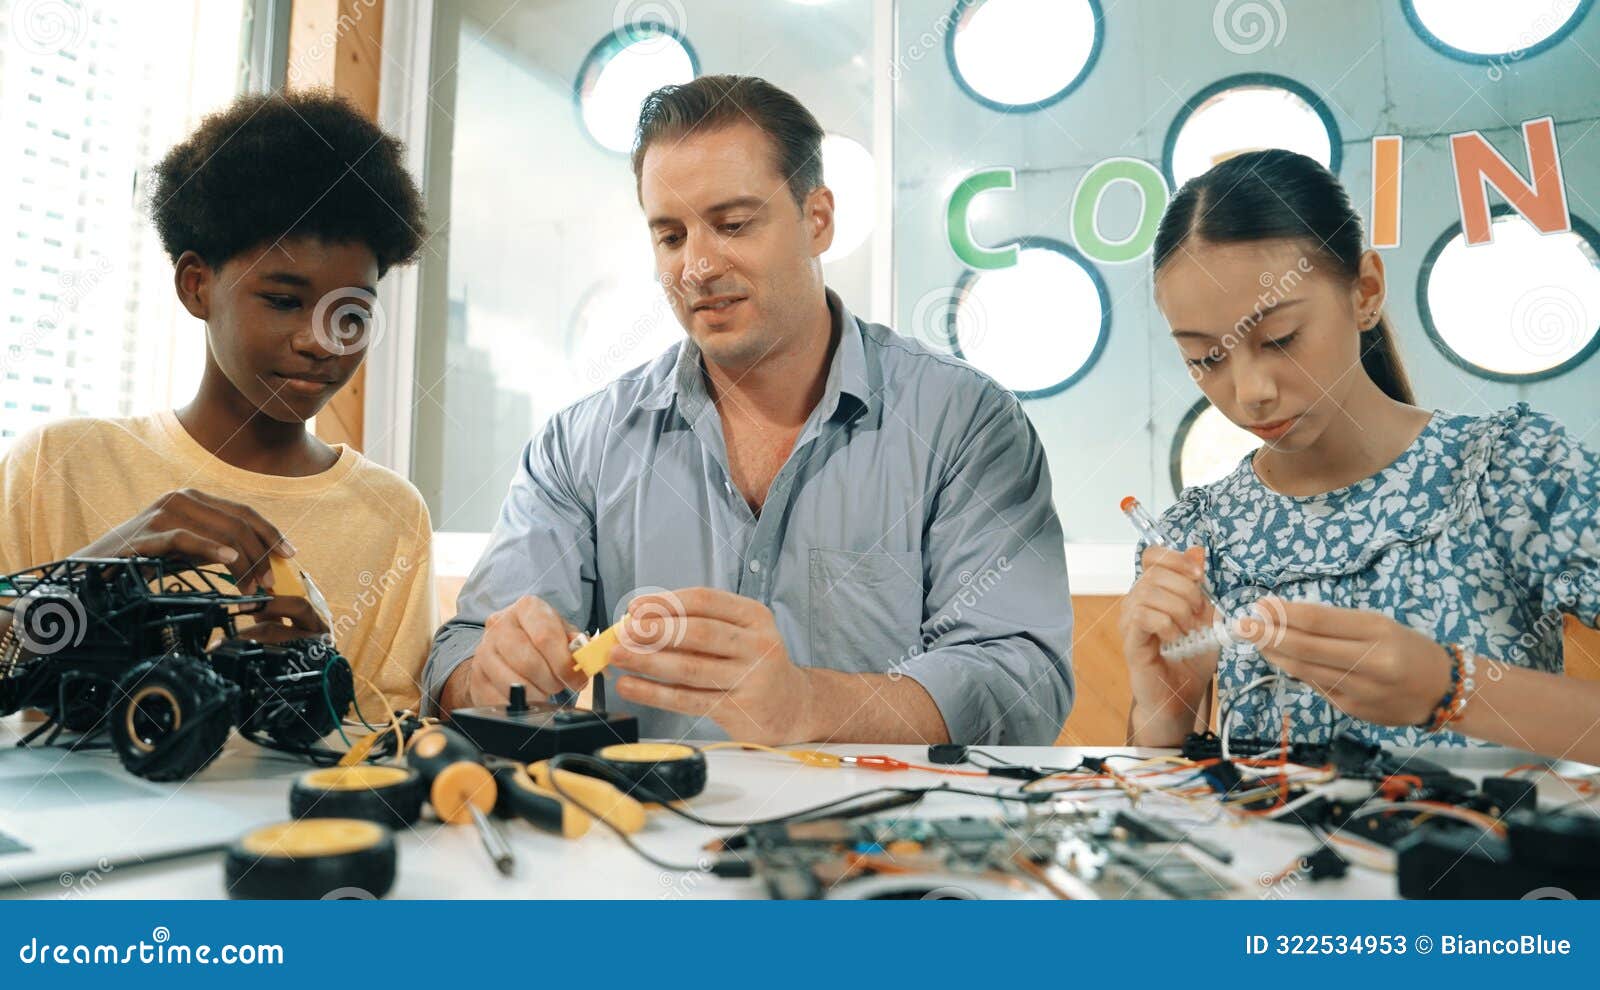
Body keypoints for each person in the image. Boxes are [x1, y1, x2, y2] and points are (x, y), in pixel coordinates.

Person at [425, 75, 1072, 745]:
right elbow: (458, 656)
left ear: (817, 220)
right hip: (648, 838)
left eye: (733, 225)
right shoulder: (579, 446)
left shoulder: (964, 423)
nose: (698, 266)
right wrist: (491, 672)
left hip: (887, 842)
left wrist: (809, 705)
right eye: (671, 237)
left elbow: (1021, 681)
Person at [1120, 148, 1600, 764]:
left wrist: (1452, 688)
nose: (1250, 392)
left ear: (1365, 291)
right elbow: (1162, 799)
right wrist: (1165, 713)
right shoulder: (1193, 537)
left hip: (1492, 862)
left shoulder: (1511, 471)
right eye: (1206, 358)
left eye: (1280, 339)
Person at [0, 90, 437, 716]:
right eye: (285, 301)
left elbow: (382, 751)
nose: (321, 342)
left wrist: (313, 689)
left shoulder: (390, 515)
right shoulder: (59, 465)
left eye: (352, 314)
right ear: (197, 285)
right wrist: (93, 574)